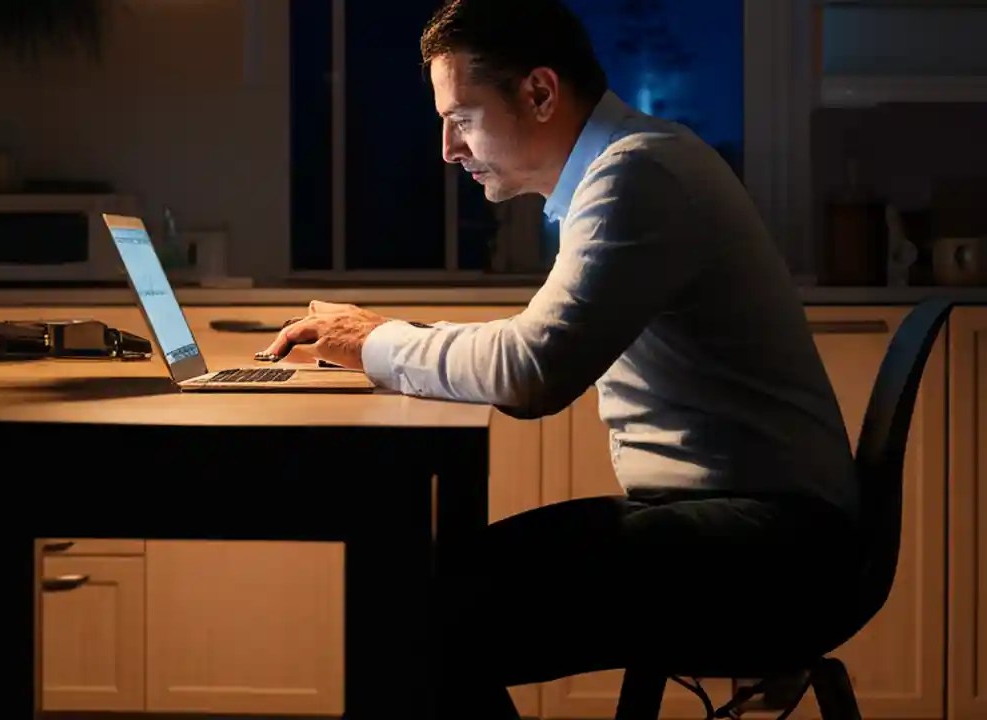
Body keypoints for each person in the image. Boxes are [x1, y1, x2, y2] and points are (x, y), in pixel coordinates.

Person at [263, 0, 863, 717]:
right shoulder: (634, 166)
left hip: (780, 550)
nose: (447, 149)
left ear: (541, 93)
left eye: (462, 118)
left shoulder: (636, 174)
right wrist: (388, 335)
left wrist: (375, 341)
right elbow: (533, 342)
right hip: (757, 525)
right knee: (421, 602)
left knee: (410, 616)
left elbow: (532, 372)